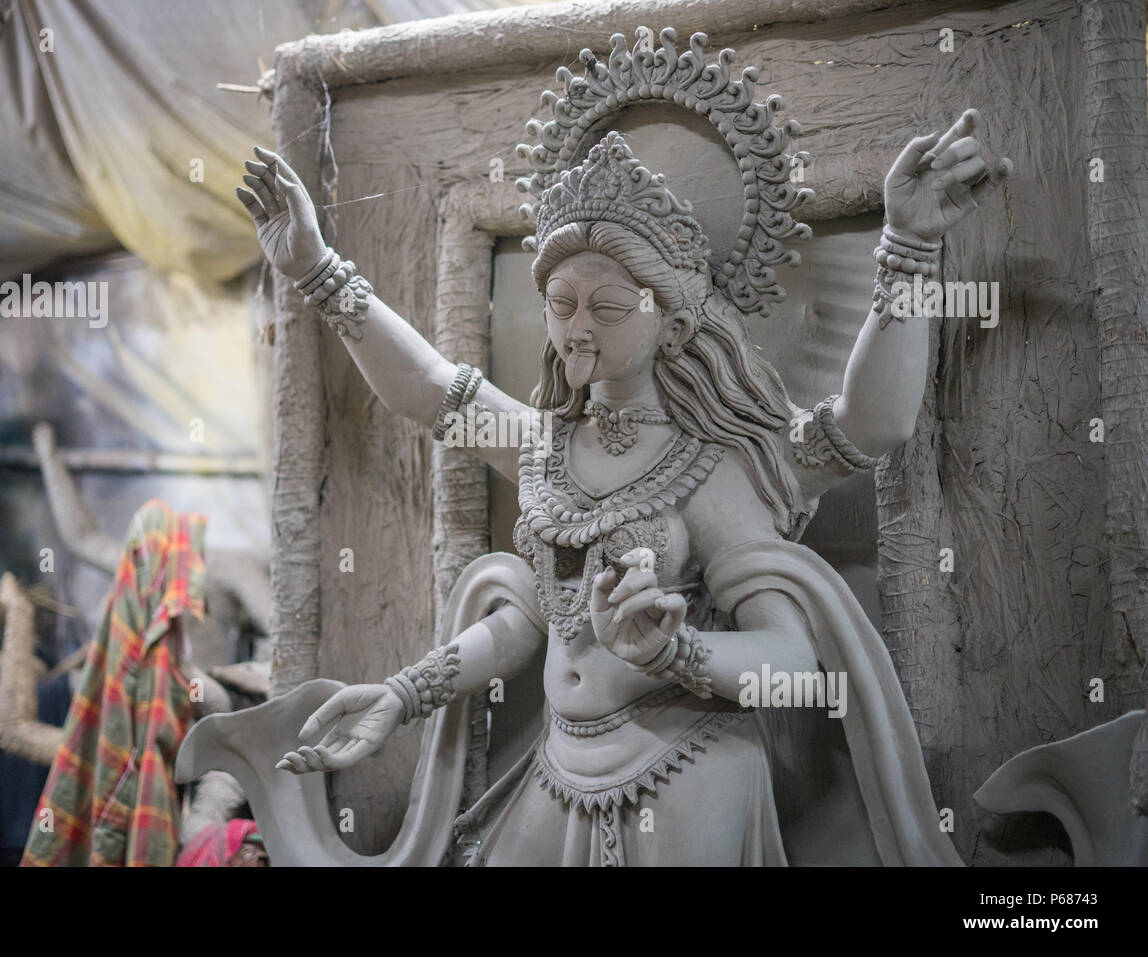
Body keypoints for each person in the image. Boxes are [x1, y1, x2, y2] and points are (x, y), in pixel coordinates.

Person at [229, 105, 1011, 865]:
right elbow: (435, 400)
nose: (577, 327)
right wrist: (403, 694)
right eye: (562, 305)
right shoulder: (545, 446)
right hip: (557, 769)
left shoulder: (711, 463)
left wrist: (678, 650)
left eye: (607, 306)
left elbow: (796, 661)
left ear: (671, 324)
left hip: (687, 776)